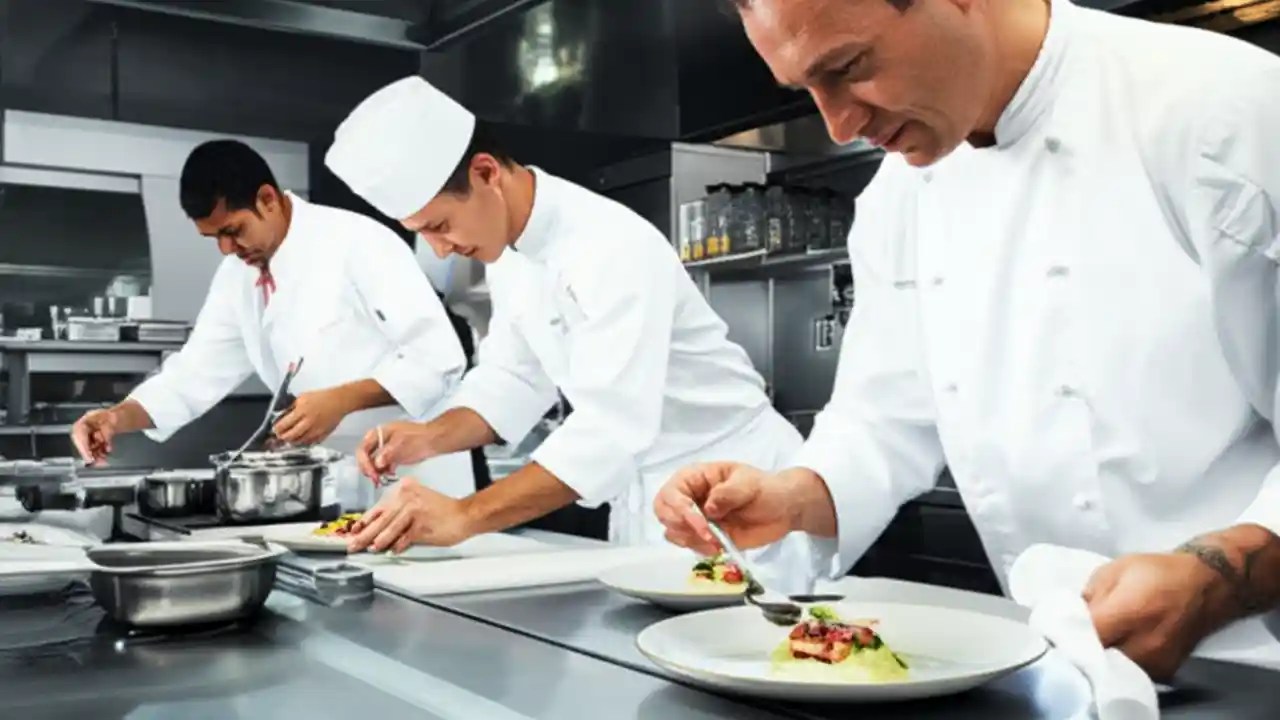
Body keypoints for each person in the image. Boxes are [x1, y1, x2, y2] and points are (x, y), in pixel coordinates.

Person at [655, 0, 1280, 680]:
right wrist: (792, 497)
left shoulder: (1222, 111)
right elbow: (881, 422)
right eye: (807, 90)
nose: (839, 126)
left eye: (849, 67)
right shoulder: (899, 195)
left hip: (1252, 662)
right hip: (1054, 662)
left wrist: (1220, 576)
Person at [322, 76, 811, 571]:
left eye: (440, 226)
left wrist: (464, 515)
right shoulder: (510, 259)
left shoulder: (609, 245)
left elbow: (612, 426)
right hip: (651, 502)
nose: (440, 249)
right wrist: (427, 437)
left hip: (739, 490)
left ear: (487, 173)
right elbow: (512, 379)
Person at [70, 139, 475, 504]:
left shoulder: (360, 243)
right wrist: (116, 417)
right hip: (334, 480)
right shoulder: (238, 276)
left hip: (417, 474)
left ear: (267, 199)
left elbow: (438, 358)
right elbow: (193, 374)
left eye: (233, 230)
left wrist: (340, 399)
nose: (227, 249)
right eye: (214, 239)